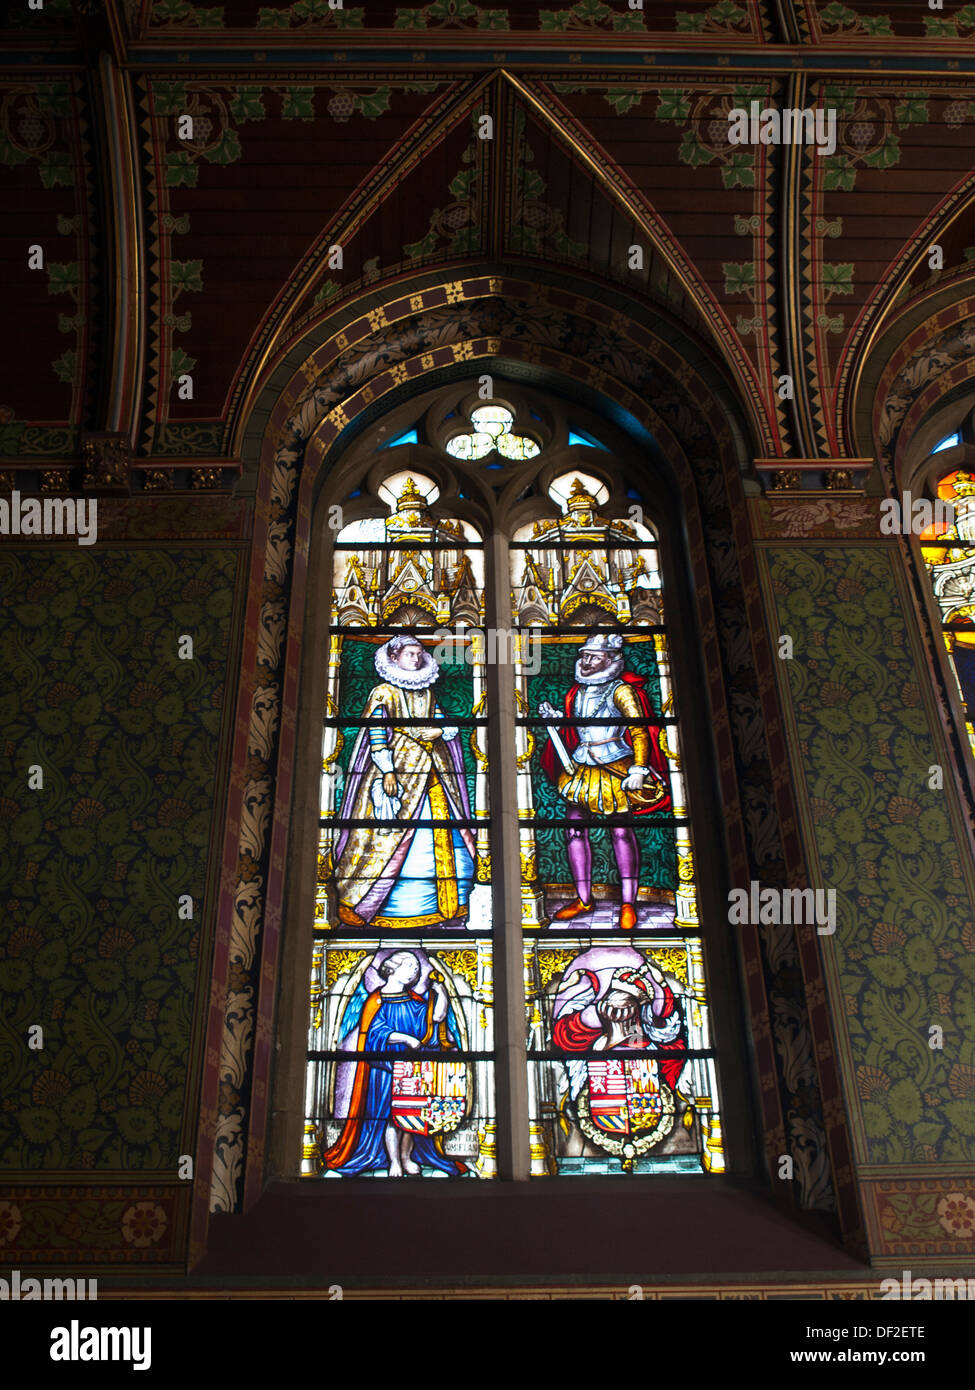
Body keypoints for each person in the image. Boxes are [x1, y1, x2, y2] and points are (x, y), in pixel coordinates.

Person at [332, 635, 475, 928]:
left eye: (419, 653)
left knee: (445, 830)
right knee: (390, 835)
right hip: (396, 770)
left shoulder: (427, 692)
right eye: (410, 654)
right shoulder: (383, 692)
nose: (416, 658)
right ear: (395, 657)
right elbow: (376, 735)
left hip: (433, 768)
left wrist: (439, 732)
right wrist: (387, 771)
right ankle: (383, 907)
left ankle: (450, 904)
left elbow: (443, 722)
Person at [539, 632, 671, 930]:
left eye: (593, 657)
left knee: (621, 833)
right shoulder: (578, 691)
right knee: (574, 831)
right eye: (583, 655)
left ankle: (628, 903)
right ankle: (584, 897)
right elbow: (579, 730)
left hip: (616, 765)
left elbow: (639, 730)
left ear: (610, 660)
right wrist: (557, 719)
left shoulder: (622, 691)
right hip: (582, 768)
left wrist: (639, 768)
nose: (585, 661)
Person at [321, 951, 467, 1177]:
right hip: (385, 1070)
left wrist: (442, 995)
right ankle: (394, 1161)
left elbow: (434, 1022)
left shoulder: (416, 1002)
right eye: (411, 967)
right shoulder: (376, 1000)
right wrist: (405, 1038)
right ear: (394, 968)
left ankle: (407, 1157)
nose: (415, 972)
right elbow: (374, 1034)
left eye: (417, 970)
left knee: (411, 1116)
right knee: (390, 1117)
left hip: (411, 1070)